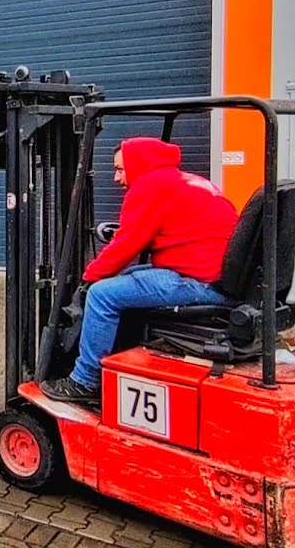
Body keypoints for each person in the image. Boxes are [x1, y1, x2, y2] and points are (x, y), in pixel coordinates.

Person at [40, 137, 239, 403]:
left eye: (120, 169)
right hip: (214, 276)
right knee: (128, 277)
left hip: (200, 283)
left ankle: (85, 381)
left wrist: (88, 277)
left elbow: (126, 246)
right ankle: (121, 354)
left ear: (138, 164)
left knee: (101, 294)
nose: (116, 178)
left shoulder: (150, 186)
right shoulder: (188, 181)